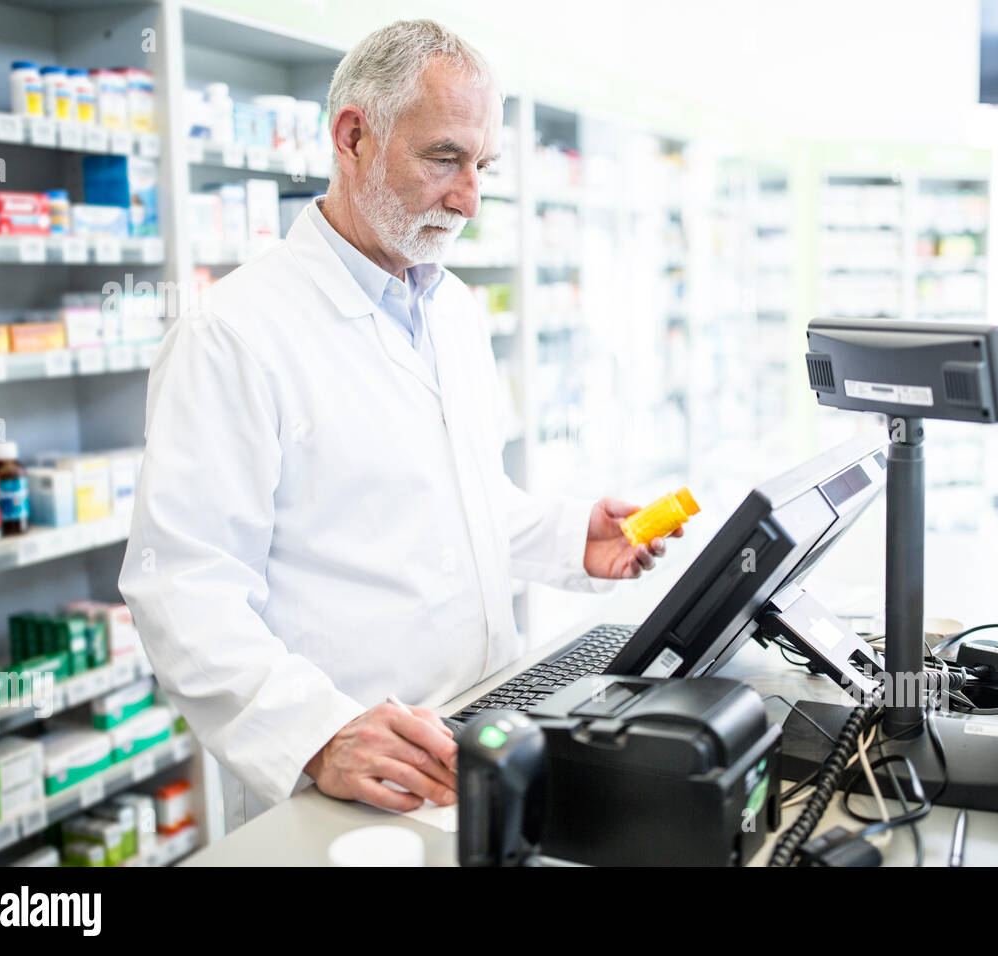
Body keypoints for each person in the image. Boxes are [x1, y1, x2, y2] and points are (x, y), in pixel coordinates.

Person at [118, 19, 681, 830]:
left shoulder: (448, 306)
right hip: (346, 775)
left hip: (479, 725)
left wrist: (567, 536)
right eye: (444, 158)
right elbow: (182, 589)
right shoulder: (234, 333)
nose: (470, 198)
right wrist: (317, 734)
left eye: (482, 166)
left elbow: (454, 501)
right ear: (354, 135)